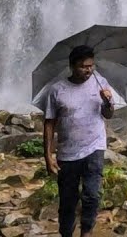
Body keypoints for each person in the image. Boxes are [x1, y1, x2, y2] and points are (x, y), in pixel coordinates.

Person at [42, 45, 115, 237]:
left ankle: (87, 232)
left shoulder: (100, 83)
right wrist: (48, 156)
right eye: (83, 66)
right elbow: (49, 123)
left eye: (91, 66)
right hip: (67, 153)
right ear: (72, 66)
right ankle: (66, 232)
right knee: (68, 201)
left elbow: (108, 114)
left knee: (92, 195)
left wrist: (107, 101)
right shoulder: (57, 90)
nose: (88, 70)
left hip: (94, 147)